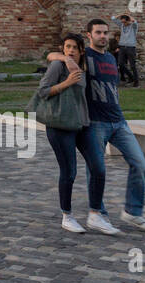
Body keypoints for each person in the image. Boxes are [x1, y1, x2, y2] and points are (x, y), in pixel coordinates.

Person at [71, 19, 145, 233]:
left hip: (118, 121)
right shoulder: (84, 57)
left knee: (139, 163)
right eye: (98, 32)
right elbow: (54, 57)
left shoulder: (110, 57)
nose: (103, 36)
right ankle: (97, 214)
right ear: (89, 35)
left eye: (105, 33)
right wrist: (62, 57)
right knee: (96, 169)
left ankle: (133, 212)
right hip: (95, 123)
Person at [38, 33, 105, 234]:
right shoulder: (58, 66)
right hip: (60, 126)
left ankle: (95, 215)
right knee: (69, 172)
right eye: (67, 47)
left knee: (98, 168)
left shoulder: (84, 67)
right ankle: (67, 216)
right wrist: (67, 82)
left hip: (83, 124)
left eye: (75, 47)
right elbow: (43, 92)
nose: (71, 50)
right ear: (63, 48)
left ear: (81, 50)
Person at [111, 14, 139, 86]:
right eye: (122, 22)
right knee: (120, 64)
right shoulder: (122, 25)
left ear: (128, 21)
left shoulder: (133, 27)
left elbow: (134, 21)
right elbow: (113, 18)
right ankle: (131, 77)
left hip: (131, 47)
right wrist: (122, 14)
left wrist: (128, 15)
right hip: (122, 47)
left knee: (132, 65)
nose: (123, 24)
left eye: (125, 22)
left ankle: (136, 82)